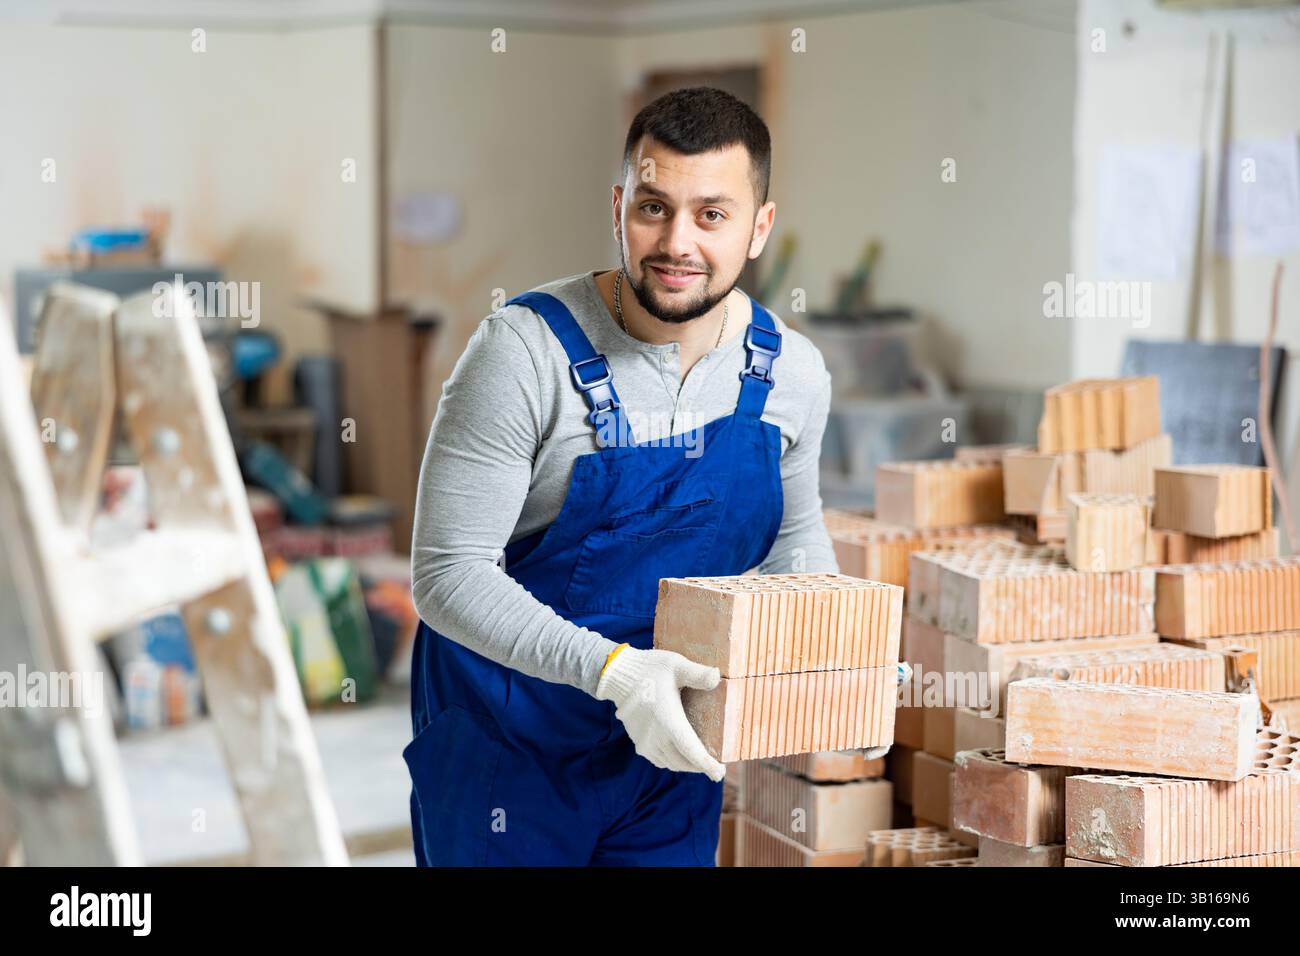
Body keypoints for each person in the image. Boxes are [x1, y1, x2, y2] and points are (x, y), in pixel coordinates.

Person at [405, 86, 843, 866]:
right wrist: (615, 672)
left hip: (669, 754)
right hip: (510, 748)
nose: (677, 241)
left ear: (759, 228)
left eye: (712, 214)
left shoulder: (792, 376)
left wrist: (835, 659)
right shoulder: (522, 354)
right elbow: (447, 575)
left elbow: (794, 541)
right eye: (653, 207)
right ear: (619, 207)